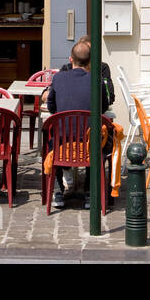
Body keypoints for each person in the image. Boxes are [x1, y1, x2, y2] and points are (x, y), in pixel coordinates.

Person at [45, 39, 98, 209]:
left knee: (49, 143)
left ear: (71, 59)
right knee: (99, 140)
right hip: (89, 146)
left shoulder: (58, 78)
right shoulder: (95, 79)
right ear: (90, 62)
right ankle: (90, 193)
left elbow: (51, 107)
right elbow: (103, 106)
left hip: (63, 146)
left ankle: (58, 192)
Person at [56, 36, 114, 111]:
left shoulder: (102, 68)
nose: (86, 55)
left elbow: (110, 97)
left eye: (89, 52)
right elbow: (48, 94)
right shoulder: (67, 68)